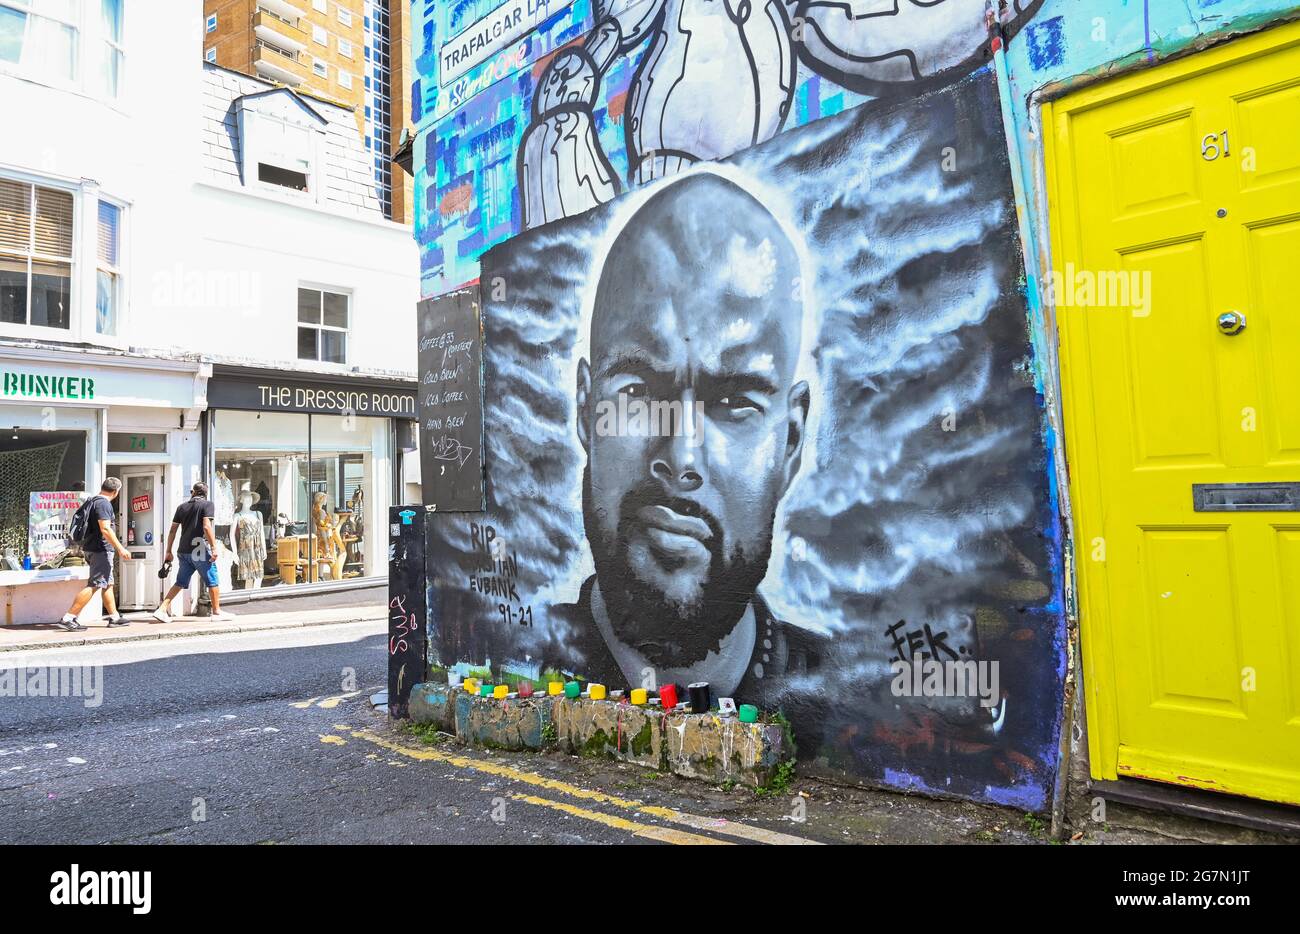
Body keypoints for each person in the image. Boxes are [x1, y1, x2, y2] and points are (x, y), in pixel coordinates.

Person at [550, 172, 826, 705]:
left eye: (736, 402)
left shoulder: (842, 705)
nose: (680, 457)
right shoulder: (522, 652)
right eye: (638, 389)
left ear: (790, 443)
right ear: (586, 410)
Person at [151, 481, 233, 622]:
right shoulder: (207, 505)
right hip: (199, 549)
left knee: (180, 582)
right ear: (205, 493)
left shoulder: (181, 507)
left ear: (192, 492)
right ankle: (217, 612)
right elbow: (207, 527)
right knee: (212, 580)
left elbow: (172, 530)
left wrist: (168, 551)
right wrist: (214, 547)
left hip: (183, 550)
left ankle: (162, 609)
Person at [57, 477, 130, 631]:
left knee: (108, 584)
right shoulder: (103, 504)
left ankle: (114, 617)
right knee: (95, 585)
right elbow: (105, 528)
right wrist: (120, 548)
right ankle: (68, 617)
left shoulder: (93, 500)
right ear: (116, 491)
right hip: (100, 550)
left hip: (92, 548)